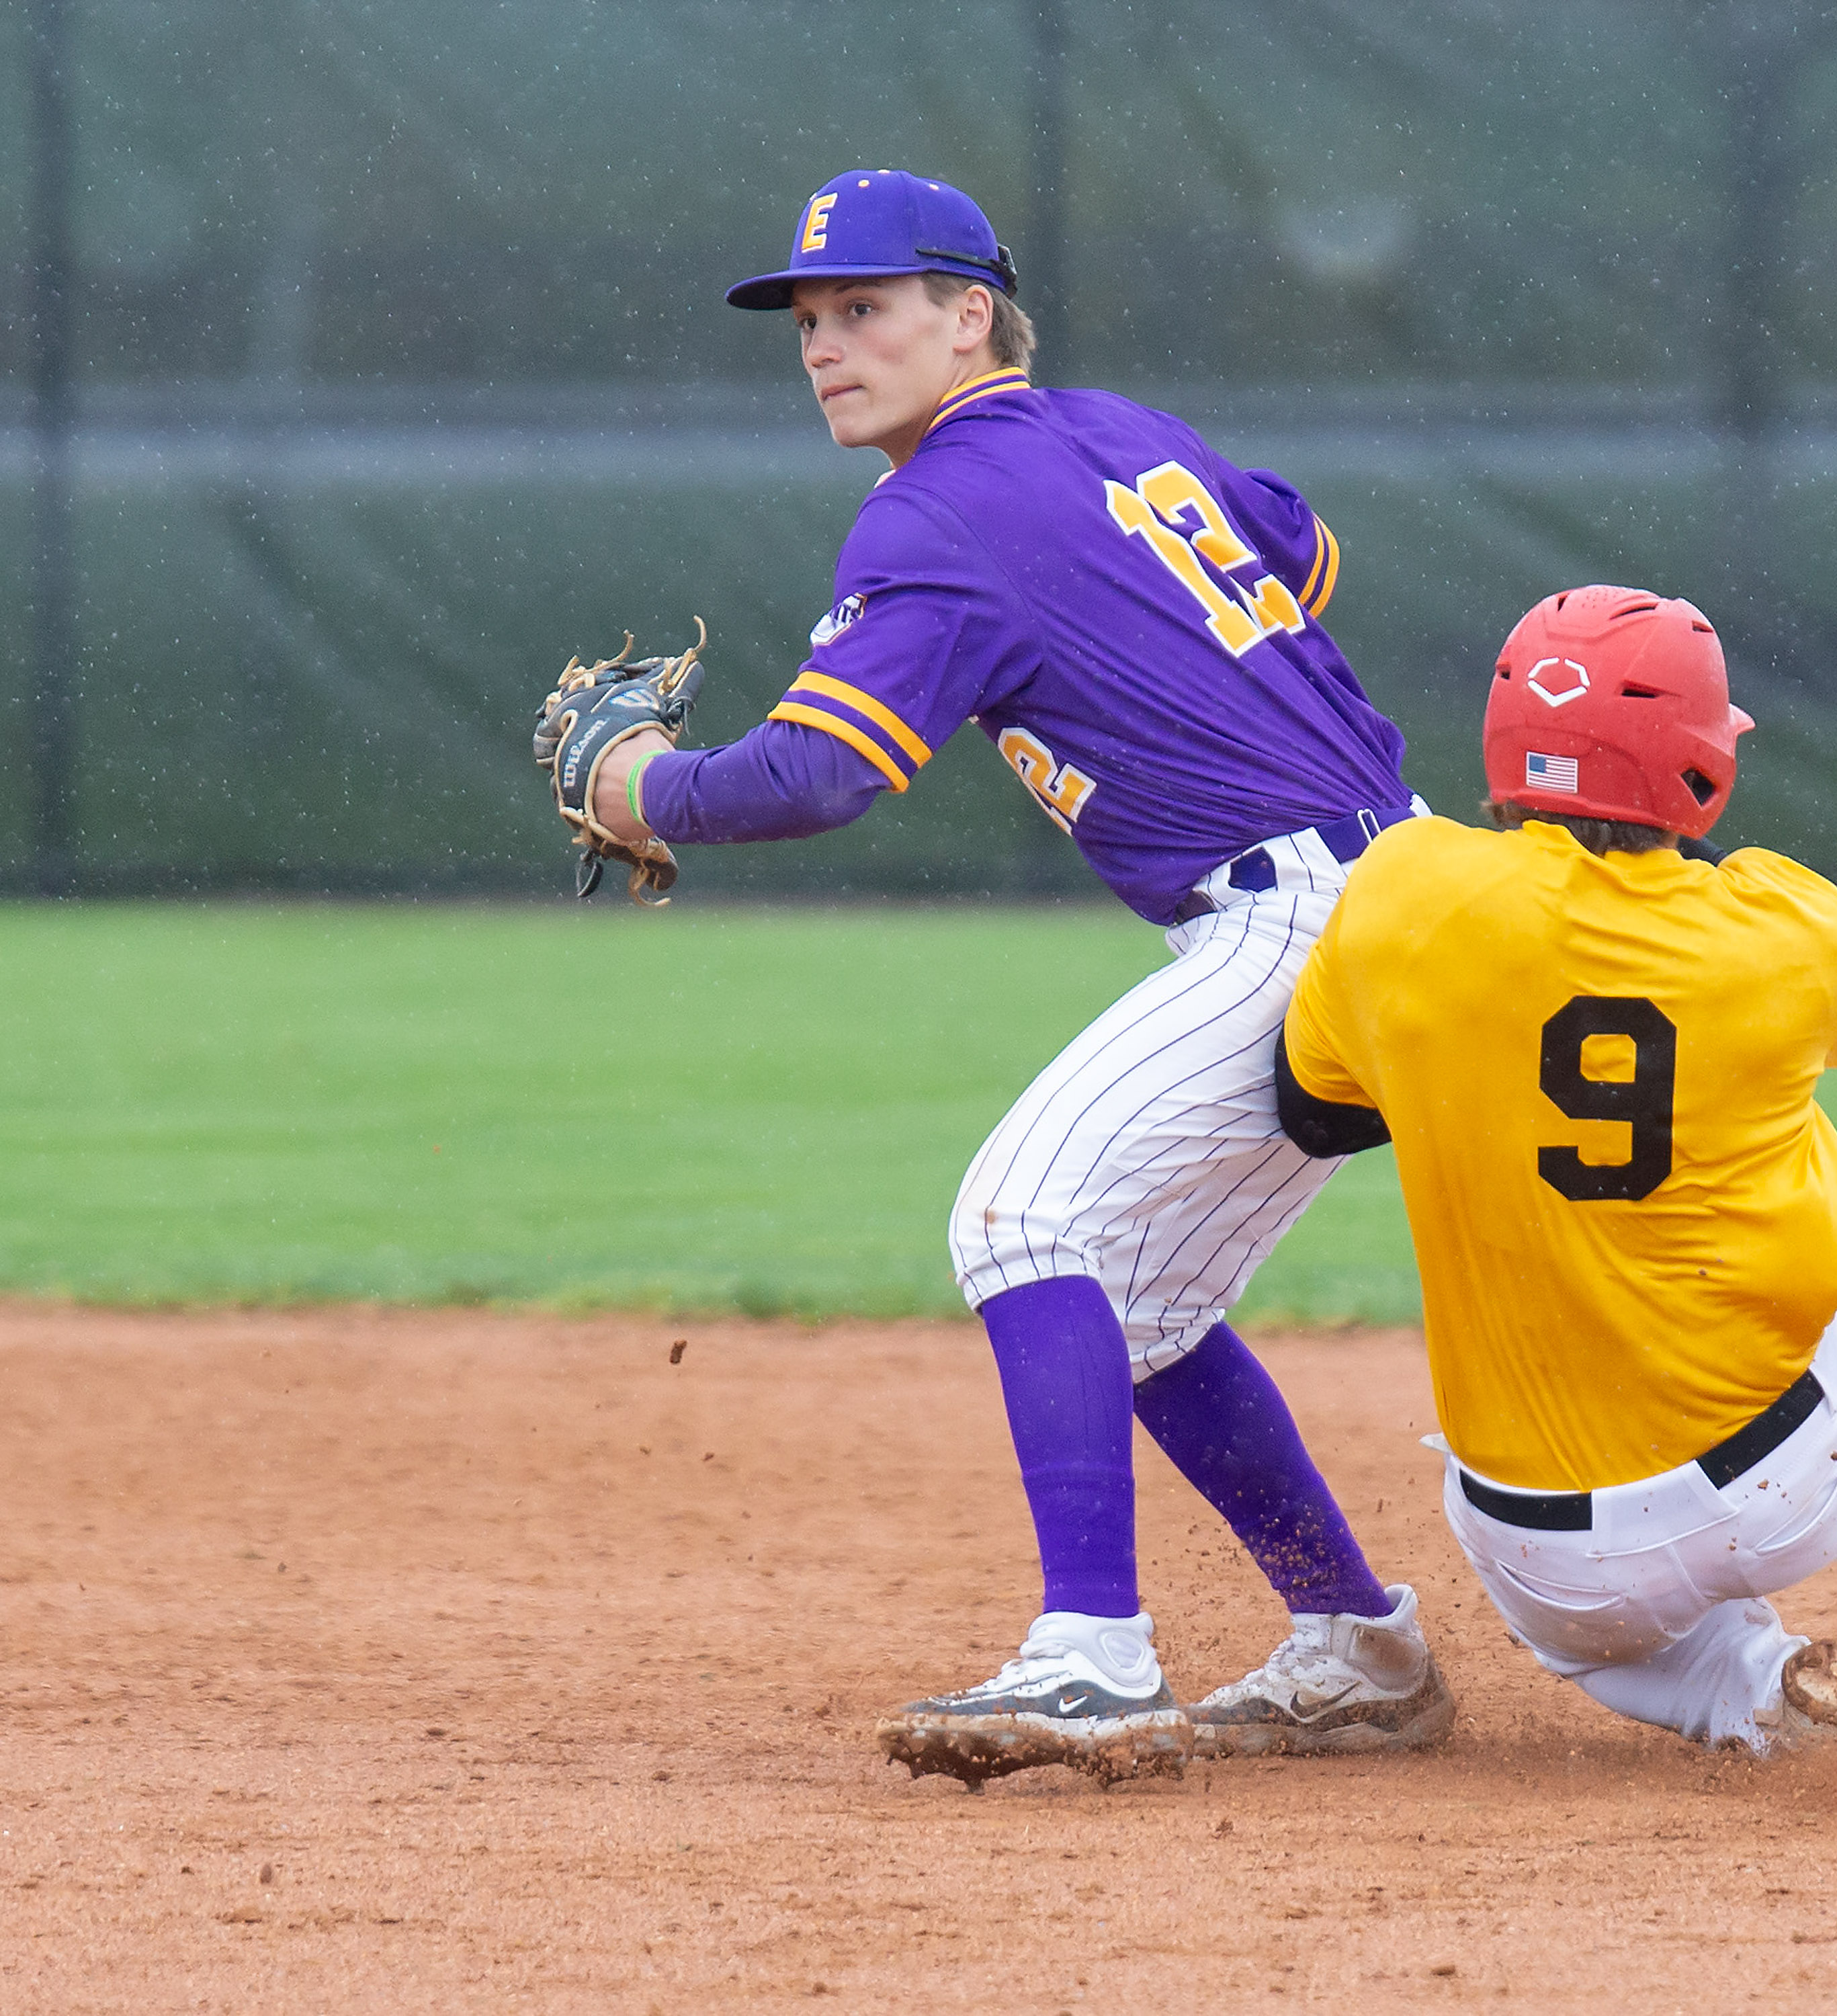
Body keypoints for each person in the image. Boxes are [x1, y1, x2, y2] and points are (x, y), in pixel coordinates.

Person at [583, 170, 1452, 1781]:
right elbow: (1302, 561)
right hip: (1420, 888)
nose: (827, 348)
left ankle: (1092, 1657)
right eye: (811, 321)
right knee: (1146, 1296)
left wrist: (644, 784)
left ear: (968, 315)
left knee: (1019, 1219)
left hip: (1300, 918)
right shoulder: (1126, 427)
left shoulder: (931, 512)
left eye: (868, 310)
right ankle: (1357, 1645)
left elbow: (818, 775)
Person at [1271, 583, 1837, 1753]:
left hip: (1546, 1554)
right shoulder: (1786, 924)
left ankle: (1758, 1693)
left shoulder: (1401, 888)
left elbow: (1312, 1110)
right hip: (1789, 1473)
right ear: (1698, 767)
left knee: (1587, 1636)